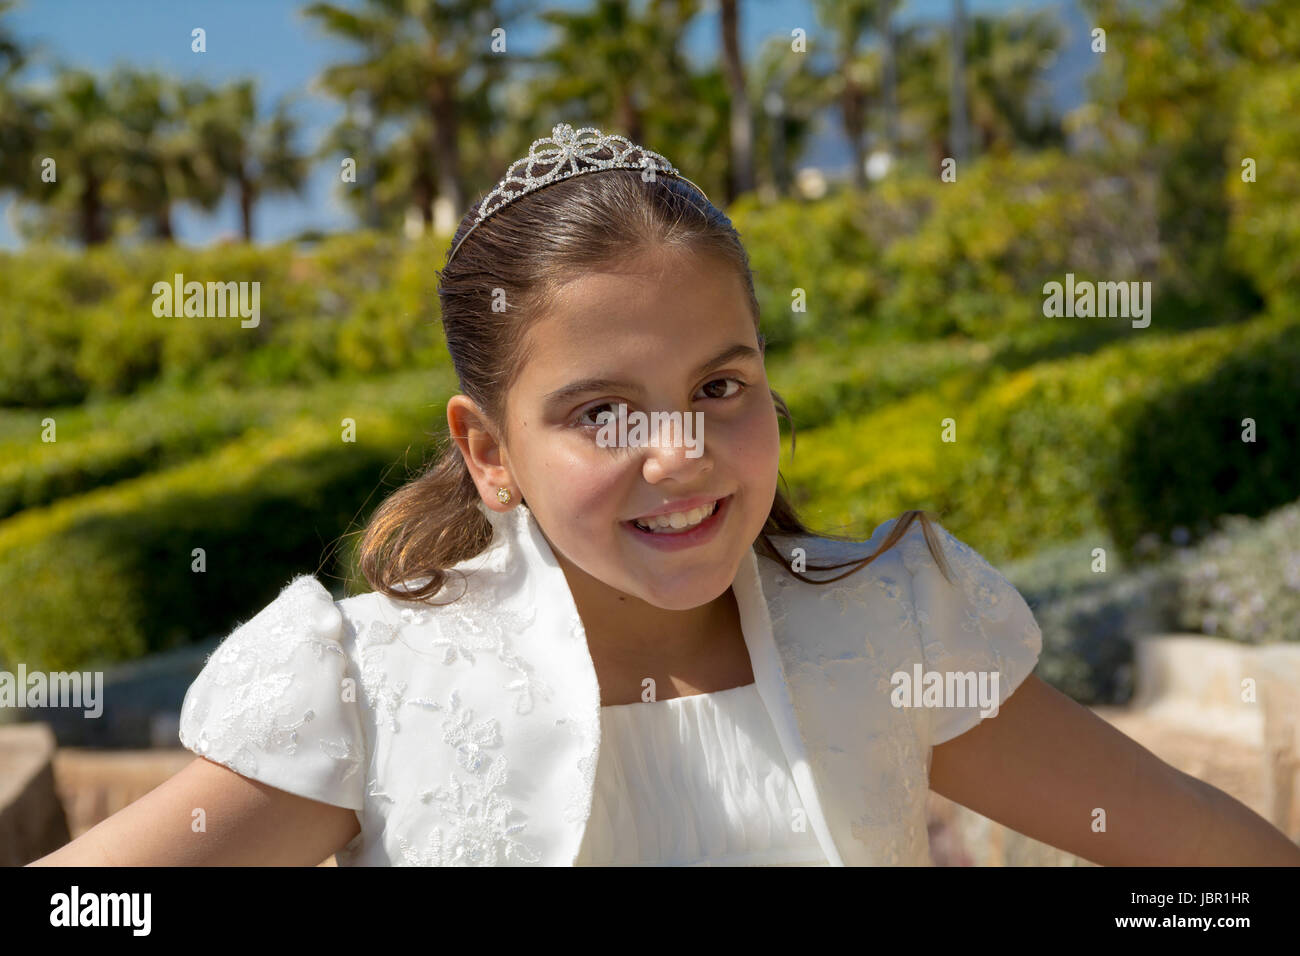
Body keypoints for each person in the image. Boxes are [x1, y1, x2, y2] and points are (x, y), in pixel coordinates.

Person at [31, 125, 1300, 867]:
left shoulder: (888, 631)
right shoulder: (365, 687)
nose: (680, 450)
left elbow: (1220, 863)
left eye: (721, 383)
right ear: (488, 451)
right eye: (601, 411)